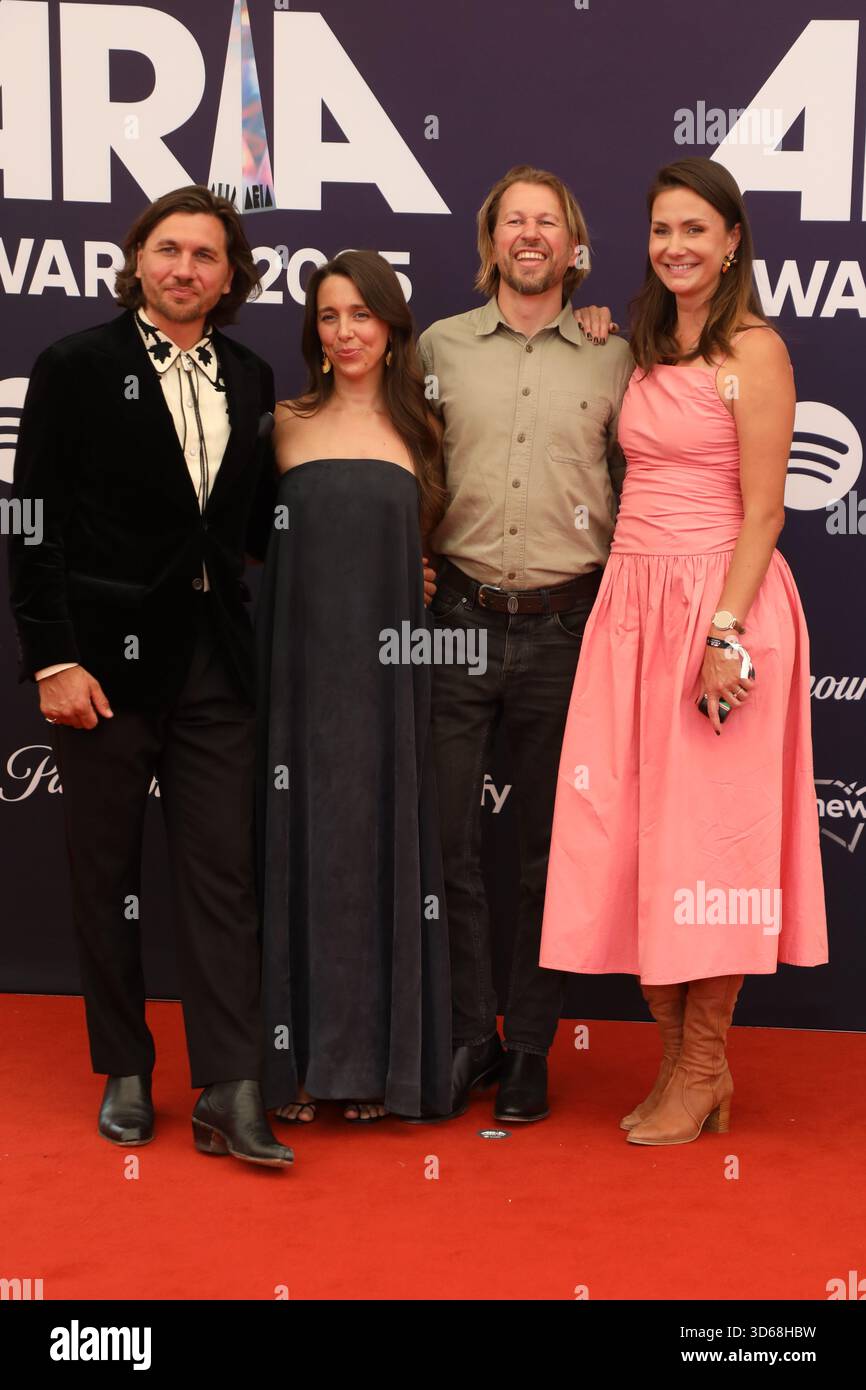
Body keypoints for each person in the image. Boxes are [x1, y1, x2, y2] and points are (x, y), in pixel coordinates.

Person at [540, 157, 829, 1145]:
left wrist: (723, 636)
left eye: (694, 230)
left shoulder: (755, 349)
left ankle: (701, 1064)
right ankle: (678, 1063)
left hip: (720, 607)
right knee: (630, 836)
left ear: (731, 241)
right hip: (631, 604)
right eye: (661, 229)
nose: (675, 247)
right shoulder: (645, 345)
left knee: (711, 845)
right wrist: (593, 335)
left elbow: (763, 511)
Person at [8, 186, 293, 1168]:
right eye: (167, 250)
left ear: (229, 274)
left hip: (218, 661)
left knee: (224, 877)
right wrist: (51, 656)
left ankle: (230, 1083)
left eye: (205, 255)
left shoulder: (252, 376)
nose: (184, 269)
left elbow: (249, 526)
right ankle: (125, 1068)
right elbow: (29, 520)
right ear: (137, 261)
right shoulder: (76, 366)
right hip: (101, 664)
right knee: (105, 874)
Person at [417, 166, 634, 1123]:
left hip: (568, 628)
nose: (531, 235)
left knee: (552, 854)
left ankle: (535, 1046)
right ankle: (474, 1037)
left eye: (549, 222)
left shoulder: (616, 359)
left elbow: (647, 492)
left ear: (574, 246)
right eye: (515, 221)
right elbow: (408, 467)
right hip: (454, 623)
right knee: (450, 844)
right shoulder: (438, 347)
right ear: (490, 241)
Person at [257, 250, 453, 1125]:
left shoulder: (425, 429)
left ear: (392, 327)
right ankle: (293, 1068)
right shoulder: (283, 422)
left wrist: (418, 578)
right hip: (298, 672)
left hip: (388, 678)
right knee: (298, 845)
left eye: (362, 316)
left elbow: (441, 544)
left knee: (380, 846)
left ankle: (380, 1067)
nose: (346, 333)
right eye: (330, 316)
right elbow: (251, 547)